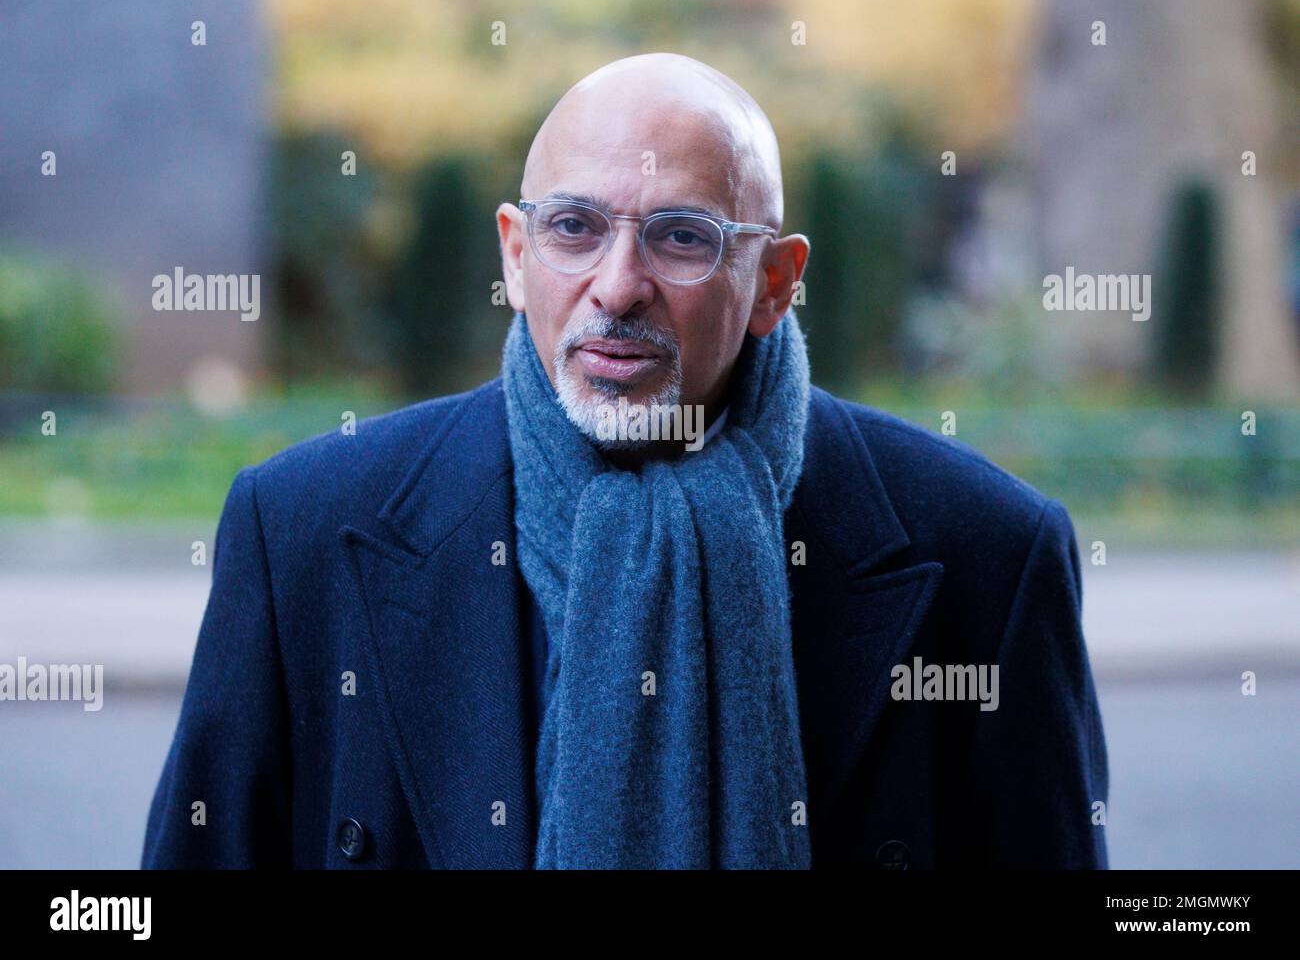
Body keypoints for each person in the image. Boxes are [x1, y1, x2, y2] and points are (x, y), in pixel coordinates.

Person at [142, 52, 1108, 870]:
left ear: (774, 282)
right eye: (574, 228)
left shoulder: (987, 554)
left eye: (682, 239)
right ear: (516, 256)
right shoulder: (301, 526)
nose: (618, 285)